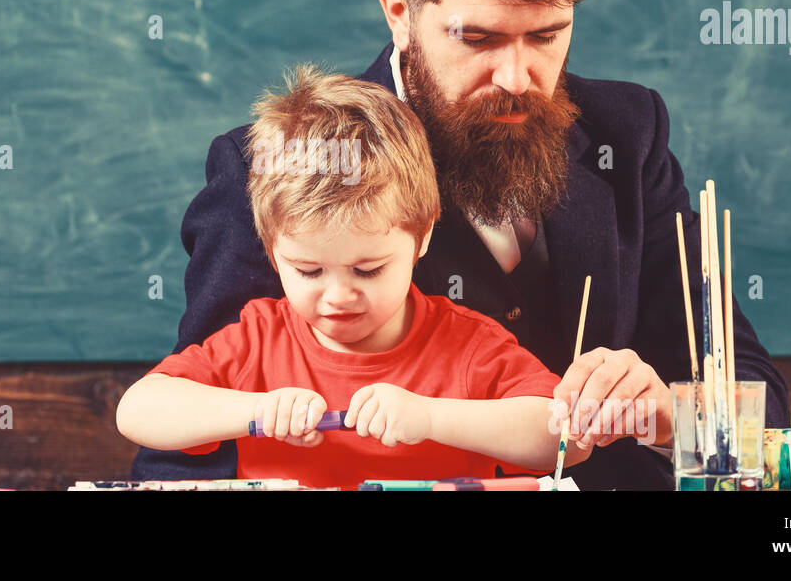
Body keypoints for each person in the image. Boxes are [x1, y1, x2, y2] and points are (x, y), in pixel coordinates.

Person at [132, 0, 789, 489]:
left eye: (546, 35)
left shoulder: (629, 133)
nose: (516, 76)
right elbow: (188, 454)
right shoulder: (285, 164)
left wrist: (669, 415)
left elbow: (756, 396)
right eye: (478, 38)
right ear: (399, 12)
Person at [116, 67, 593, 489]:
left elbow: (567, 439)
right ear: (271, 250)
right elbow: (137, 411)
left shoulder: (469, 346)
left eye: (368, 269)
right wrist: (256, 413)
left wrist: (429, 417)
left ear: (422, 237)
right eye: (308, 270)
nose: (339, 296)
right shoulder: (257, 339)